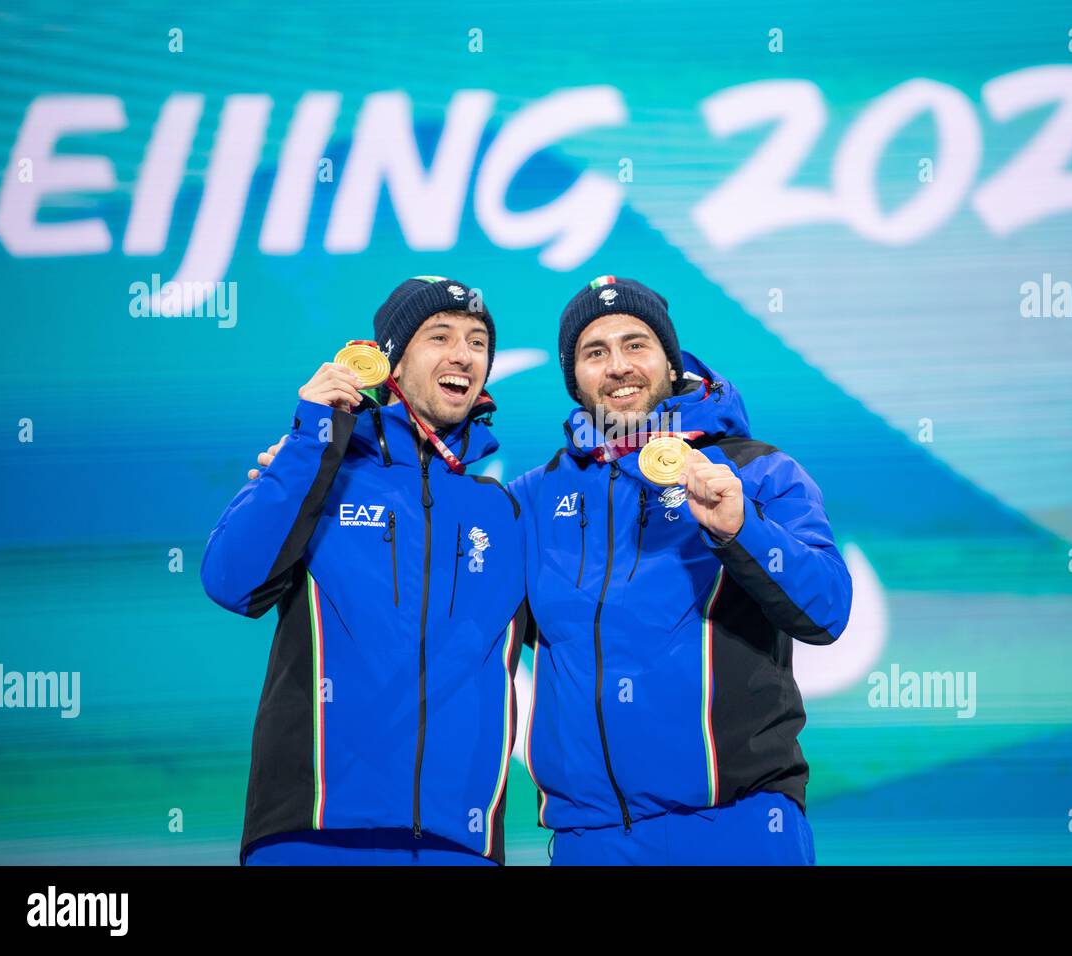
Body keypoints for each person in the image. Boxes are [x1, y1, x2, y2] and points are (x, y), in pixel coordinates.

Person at [508, 275, 853, 865]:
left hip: (739, 826)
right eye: (595, 352)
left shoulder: (759, 471)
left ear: (670, 362)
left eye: (636, 344)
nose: (618, 366)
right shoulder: (534, 500)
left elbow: (828, 611)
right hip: (591, 840)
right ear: (575, 379)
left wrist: (740, 529)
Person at [201, 276, 526, 865]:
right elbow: (229, 582)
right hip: (312, 834)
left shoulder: (504, 511)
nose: (464, 353)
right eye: (440, 336)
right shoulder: (318, 472)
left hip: (460, 844)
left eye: (478, 341)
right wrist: (309, 441)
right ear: (389, 361)